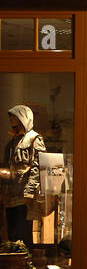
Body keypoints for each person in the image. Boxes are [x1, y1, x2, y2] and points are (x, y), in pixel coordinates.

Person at [0, 105, 44, 246]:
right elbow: (7, 167)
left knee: (23, 235)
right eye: (10, 116)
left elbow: (37, 166)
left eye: (14, 116)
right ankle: (15, 267)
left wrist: (30, 191)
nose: (11, 119)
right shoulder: (12, 141)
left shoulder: (34, 138)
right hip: (11, 196)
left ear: (22, 117)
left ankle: (23, 268)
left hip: (24, 197)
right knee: (12, 235)